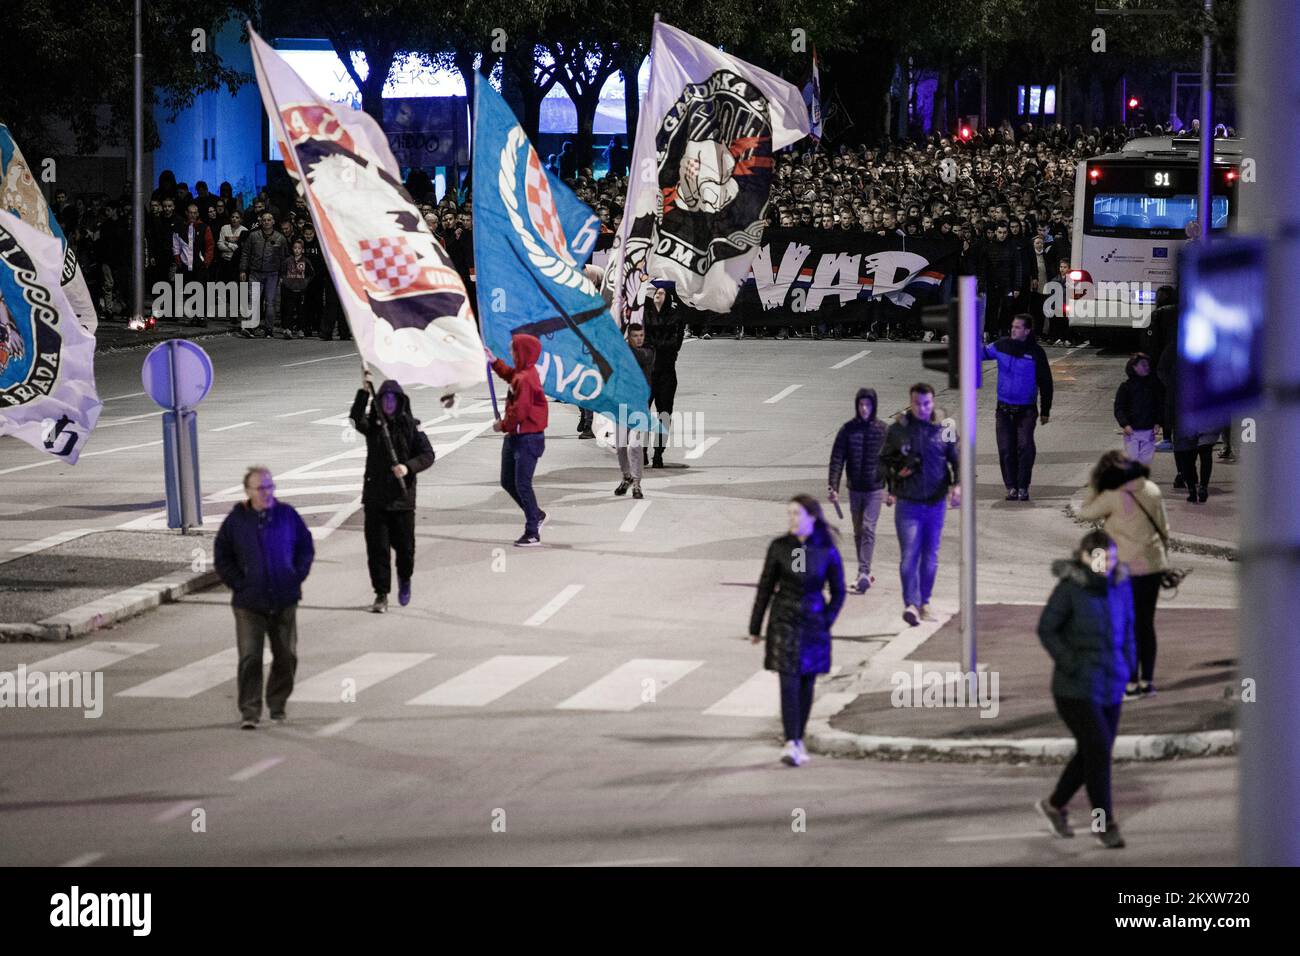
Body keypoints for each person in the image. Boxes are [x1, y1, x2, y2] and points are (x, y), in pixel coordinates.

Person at [1035, 529, 1136, 849]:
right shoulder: (1070, 590)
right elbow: (1046, 629)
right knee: (1098, 750)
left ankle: (1054, 805)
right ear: (1084, 558)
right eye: (1099, 560)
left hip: (1111, 682)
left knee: (1096, 750)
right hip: (1074, 687)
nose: (1105, 565)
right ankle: (1104, 824)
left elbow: (1129, 629)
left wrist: (1130, 667)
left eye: (1111, 559)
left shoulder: (1121, 586)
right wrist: (1072, 663)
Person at [213, 466, 315, 730]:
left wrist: (296, 575)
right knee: (250, 658)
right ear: (248, 491)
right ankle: (250, 711)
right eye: (260, 488)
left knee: (287, 655)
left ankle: (277, 704)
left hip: (284, 598)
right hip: (249, 603)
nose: (266, 492)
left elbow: (305, 546)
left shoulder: (287, 515)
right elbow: (222, 555)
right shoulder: (236, 521)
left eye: (270, 486)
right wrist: (238, 583)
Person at [749, 495, 846, 768]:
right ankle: (790, 740)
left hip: (814, 624)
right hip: (784, 622)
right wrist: (755, 627)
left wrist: (827, 619)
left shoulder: (826, 550)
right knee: (788, 682)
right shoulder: (781, 547)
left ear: (811, 518)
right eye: (789, 513)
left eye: (796, 514)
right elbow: (765, 587)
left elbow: (839, 591)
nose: (791, 519)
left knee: (806, 684)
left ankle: (798, 737)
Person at [1075, 451, 1169, 698]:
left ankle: (1131, 682)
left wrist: (1093, 485)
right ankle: (1148, 681)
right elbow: (1165, 529)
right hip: (1152, 566)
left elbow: (1085, 512)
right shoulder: (1152, 490)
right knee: (1145, 625)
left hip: (1124, 570)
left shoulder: (1113, 496)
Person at [349, 373, 436, 612]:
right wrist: (364, 391)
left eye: (392, 399)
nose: (388, 403)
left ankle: (404, 578)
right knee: (377, 549)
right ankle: (381, 594)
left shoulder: (412, 427)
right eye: (384, 399)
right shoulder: (374, 427)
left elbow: (428, 455)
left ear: (400, 402)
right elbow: (356, 419)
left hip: (402, 499)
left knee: (405, 549)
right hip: (375, 498)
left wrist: (407, 467)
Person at [881, 383, 960, 626]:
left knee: (930, 556)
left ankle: (924, 602)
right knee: (909, 555)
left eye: (927, 403)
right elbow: (883, 461)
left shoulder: (944, 428)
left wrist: (958, 486)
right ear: (910, 402)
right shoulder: (898, 431)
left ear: (933, 402)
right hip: (908, 503)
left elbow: (958, 460)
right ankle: (911, 605)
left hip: (936, 503)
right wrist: (889, 487)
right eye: (917, 403)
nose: (922, 408)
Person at [487, 334, 549, 546]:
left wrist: (501, 425)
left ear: (522, 352)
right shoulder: (523, 373)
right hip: (517, 436)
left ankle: (532, 531)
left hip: (527, 438)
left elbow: (519, 412)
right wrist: (494, 362)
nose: (512, 353)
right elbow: (510, 375)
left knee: (522, 484)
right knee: (508, 481)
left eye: (514, 350)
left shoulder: (526, 379)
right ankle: (535, 515)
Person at [983, 314, 1053, 501]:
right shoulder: (1002, 345)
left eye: (1018, 327)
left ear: (1027, 331)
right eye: (1012, 327)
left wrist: (1045, 410)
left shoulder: (1036, 353)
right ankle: (1011, 487)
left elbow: (1046, 383)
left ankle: (1023, 486)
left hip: (1026, 410)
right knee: (1006, 449)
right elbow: (981, 353)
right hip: (1004, 409)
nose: (1013, 330)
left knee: (1025, 446)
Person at [827, 387, 889, 594]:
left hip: (875, 489)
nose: (864, 409)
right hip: (855, 488)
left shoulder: (882, 430)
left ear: (874, 406)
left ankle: (863, 571)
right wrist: (833, 486)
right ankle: (864, 571)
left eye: (868, 405)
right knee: (858, 531)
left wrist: (893, 490)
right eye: (861, 405)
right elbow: (837, 459)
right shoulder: (847, 430)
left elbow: (892, 461)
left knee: (868, 527)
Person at [644, 284, 684, 468]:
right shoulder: (645, 315)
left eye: (662, 292)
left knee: (665, 414)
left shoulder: (675, 316)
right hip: (647, 373)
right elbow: (642, 340)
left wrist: (653, 343)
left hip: (667, 372)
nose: (658, 294)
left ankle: (658, 453)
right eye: (656, 293)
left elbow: (674, 343)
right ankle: (641, 449)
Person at [615, 322, 654, 499]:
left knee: (635, 446)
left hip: (639, 406)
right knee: (621, 446)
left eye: (641, 335)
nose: (639, 339)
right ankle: (627, 477)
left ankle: (637, 484)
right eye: (635, 336)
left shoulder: (648, 352)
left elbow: (637, 357)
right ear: (629, 337)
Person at [239, 211, 288, 338]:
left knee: (270, 302)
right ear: (261, 222)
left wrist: (283, 275)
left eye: (269, 220)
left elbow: (284, 258)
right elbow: (245, 253)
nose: (266, 222)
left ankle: (269, 329)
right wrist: (243, 270)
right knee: (252, 300)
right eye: (264, 220)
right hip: (255, 273)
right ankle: (250, 328)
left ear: (273, 222)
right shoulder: (253, 236)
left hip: (272, 274)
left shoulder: (280, 238)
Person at [1112, 352, 1161, 465]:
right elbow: (1119, 407)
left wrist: (1158, 422)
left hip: (1148, 431)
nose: (1146, 367)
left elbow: (1158, 405)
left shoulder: (1152, 386)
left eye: (1147, 365)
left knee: (1145, 460)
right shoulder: (1125, 387)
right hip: (1132, 431)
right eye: (1143, 365)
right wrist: (1125, 424)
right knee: (1133, 459)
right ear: (1133, 367)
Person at [278, 238, 315, 339]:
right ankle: (288, 329)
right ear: (292, 249)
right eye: (295, 248)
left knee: (301, 310)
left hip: (301, 290)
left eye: (299, 248)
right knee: (288, 309)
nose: (297, 250)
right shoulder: (287, 261)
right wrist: (286, 282)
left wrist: (305, 283)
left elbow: (311, 274)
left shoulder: (306, 261)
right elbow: (282, 273)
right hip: (290, 289)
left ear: (302, 250)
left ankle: (301, 329)